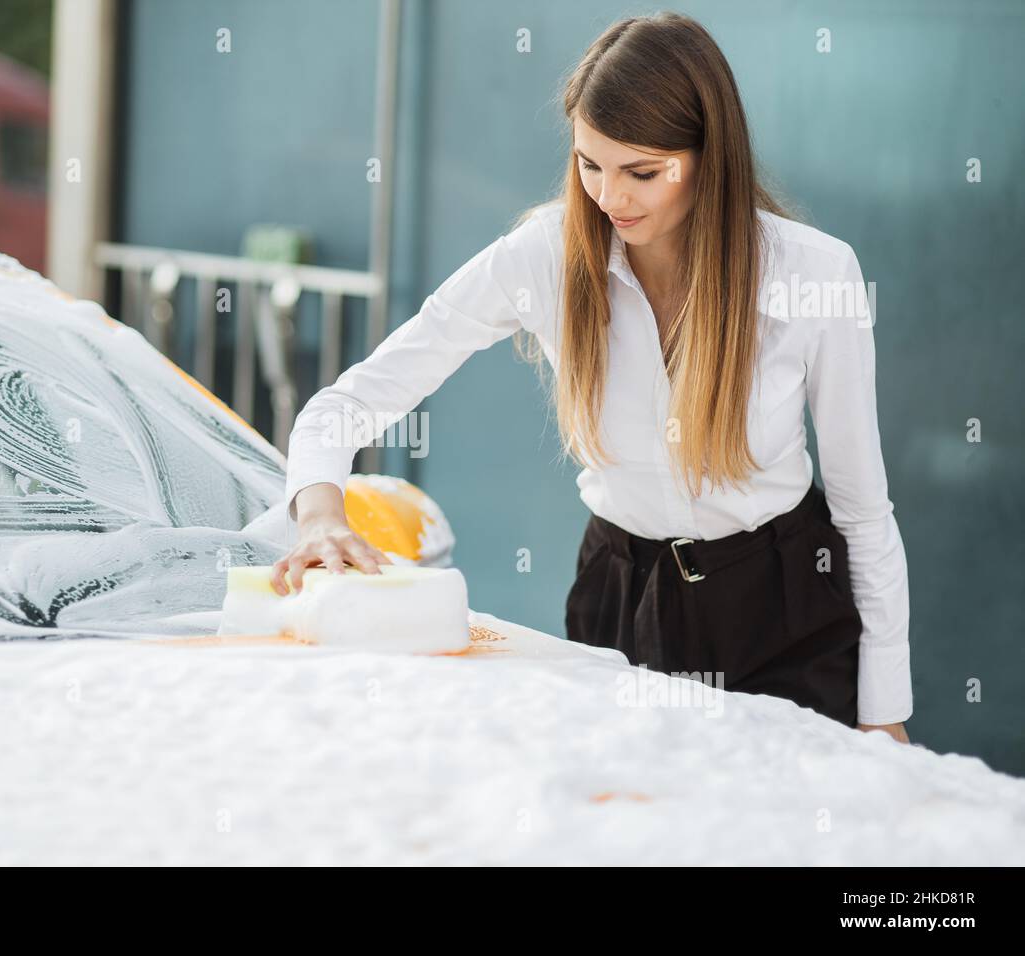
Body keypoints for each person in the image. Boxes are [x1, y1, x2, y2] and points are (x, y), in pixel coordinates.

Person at [271, 12, 912, 743]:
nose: (610, 198)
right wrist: (321, 515)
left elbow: (863, 510)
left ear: (710, 156)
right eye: (589, 163)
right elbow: (347, 402)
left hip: (786, 606)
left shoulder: (816, 273)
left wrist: (884, 710)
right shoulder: (542, 255)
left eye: (642, 171)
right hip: (619, 601)